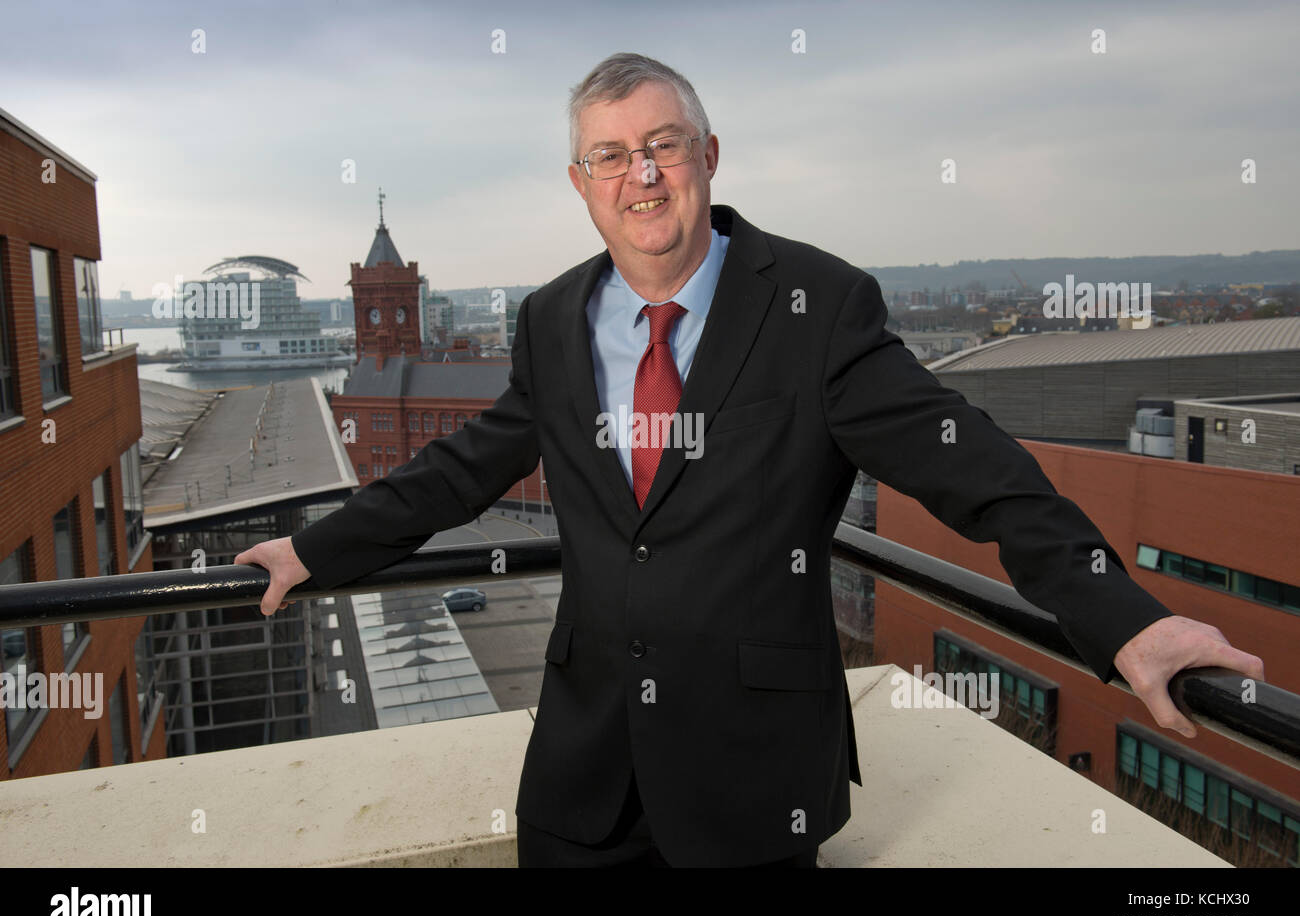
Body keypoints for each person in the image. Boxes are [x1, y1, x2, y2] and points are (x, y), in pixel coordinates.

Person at [236, 52, 1264, 868]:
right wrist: (316, 550)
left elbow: (973, 465)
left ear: (708, 156)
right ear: (580, 182)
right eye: (610, 155)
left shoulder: (814, 305)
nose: (640, 175)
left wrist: (1126, 620)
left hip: (749, 781)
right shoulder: (551, 318)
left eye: (663, 145)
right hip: (582, 774)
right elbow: (465, 466)